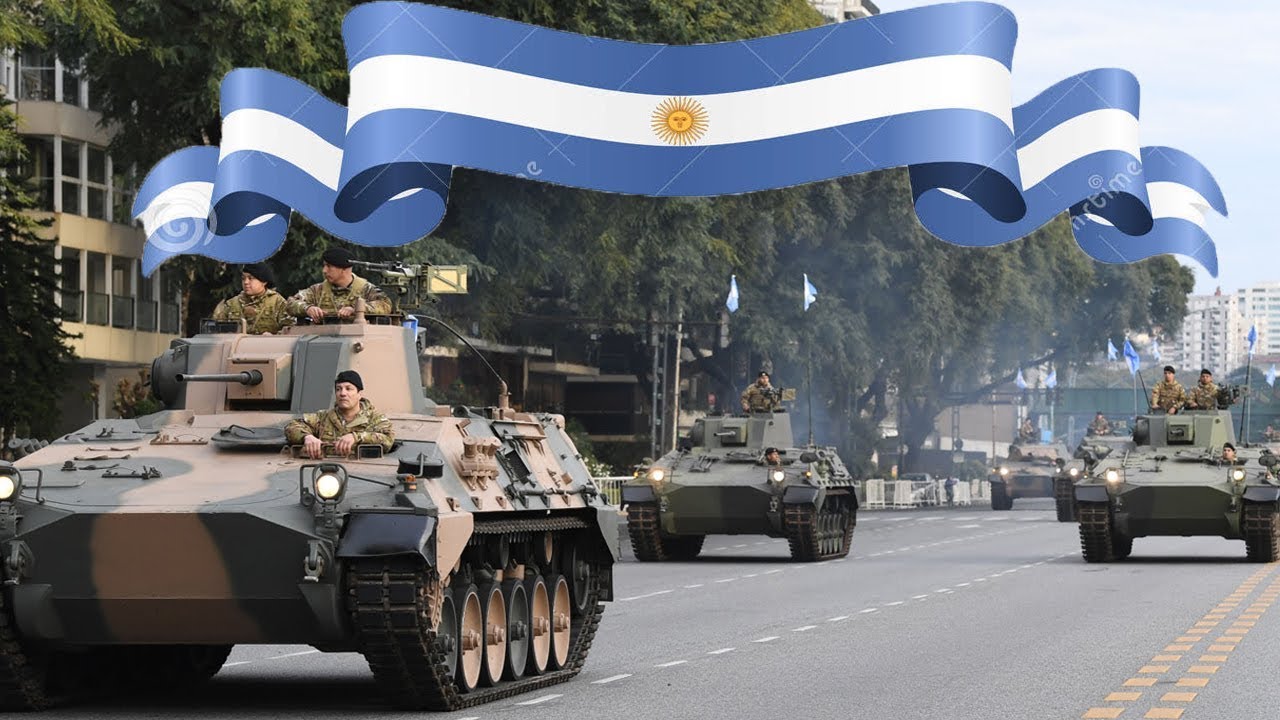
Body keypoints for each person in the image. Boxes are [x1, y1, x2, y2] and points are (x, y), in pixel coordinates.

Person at [285, 370, 394, 458]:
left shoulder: (375, 419)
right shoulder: (323, 417)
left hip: (362, 472)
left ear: (359, 394)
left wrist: (356, 437)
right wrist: (307, 437)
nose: (342, 393)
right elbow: (292, 426)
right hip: (326, 473)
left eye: (348, 389)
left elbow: (387, 440)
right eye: (338, 389)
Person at [286, 247, 393, 321]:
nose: (324, 270)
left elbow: (385, 305)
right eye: (324, 266)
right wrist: (308, 308)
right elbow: (291, 303)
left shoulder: (366, 289)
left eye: (329, 266)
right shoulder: (317, 290)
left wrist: (356, 309)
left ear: (344, 269)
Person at [211, 263, 294, 334]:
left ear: (264, 281)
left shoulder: (278, 302)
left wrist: (273, 337)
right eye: (243, 278)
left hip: (268, 350)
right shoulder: (232, 304)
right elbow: (216, 332)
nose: (246, 282)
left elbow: (291, 330)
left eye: (251, 278)